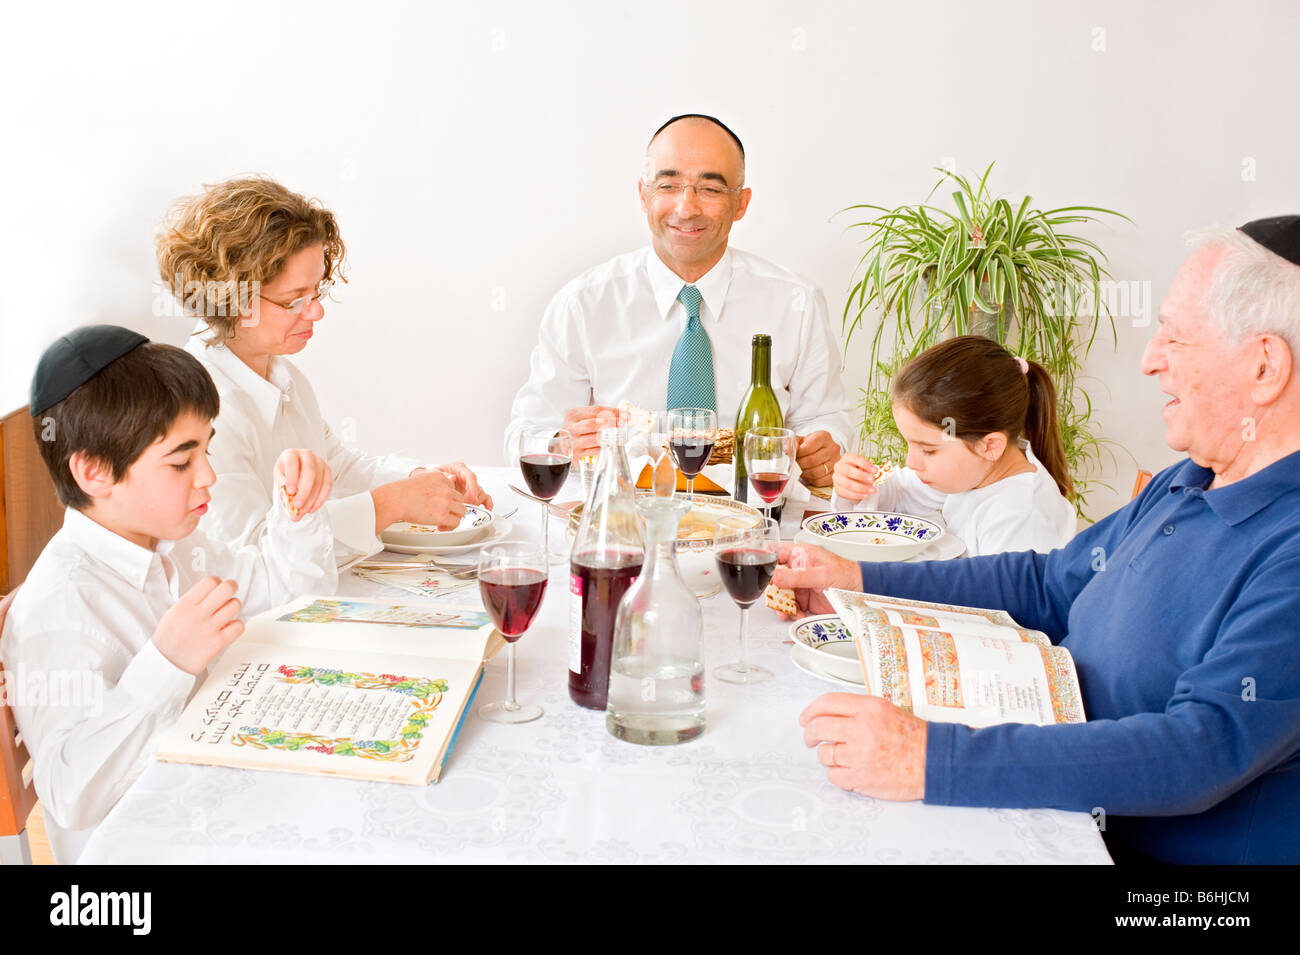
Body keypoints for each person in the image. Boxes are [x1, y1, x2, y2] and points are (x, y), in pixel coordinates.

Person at [774, 218, 1300, 864]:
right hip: (1056, 807)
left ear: (1265, 366)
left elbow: (1199, 749)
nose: (1149, 357)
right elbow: (1047, 582)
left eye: (1176, 335)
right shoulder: (1187, 483)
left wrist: (930, 757)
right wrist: (855, 584)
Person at [0, 326, 337, 863]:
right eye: (182, 462)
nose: (208, 475)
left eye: (208, 448)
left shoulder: (174, 543)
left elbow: (293, 595)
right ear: (93, 472)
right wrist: (166, 662)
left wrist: (295, 510)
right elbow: (70, 794)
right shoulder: (59, 608)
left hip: (219, 803)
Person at [156, 176, 492, 567]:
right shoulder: (200, 409)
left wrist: (422, 479)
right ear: (229, 297)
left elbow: (338, 466)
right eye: (293, 301)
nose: (316, 312)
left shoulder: (281, 375)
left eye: (315, 292)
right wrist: (394, 503)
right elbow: (256, 555)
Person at [504, 114, 852, 483]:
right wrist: (562, 442)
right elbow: (524, 436)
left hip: (753, 519)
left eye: (710, 189)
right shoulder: (583, 304)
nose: (687, 208)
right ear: (643, 194)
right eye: (668, 185)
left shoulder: (797, 303)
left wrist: (827, 450)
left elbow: (829, 422)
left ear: (741, 204)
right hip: (625, 522)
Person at [831, 336, 1077, 555]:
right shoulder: (975, 470)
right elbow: (901, 492)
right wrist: (857, 484)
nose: (910, 462)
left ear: (990, 446)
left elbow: (1008, 603)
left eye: (928, 450)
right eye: (909, 444)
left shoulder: (1022, 517)